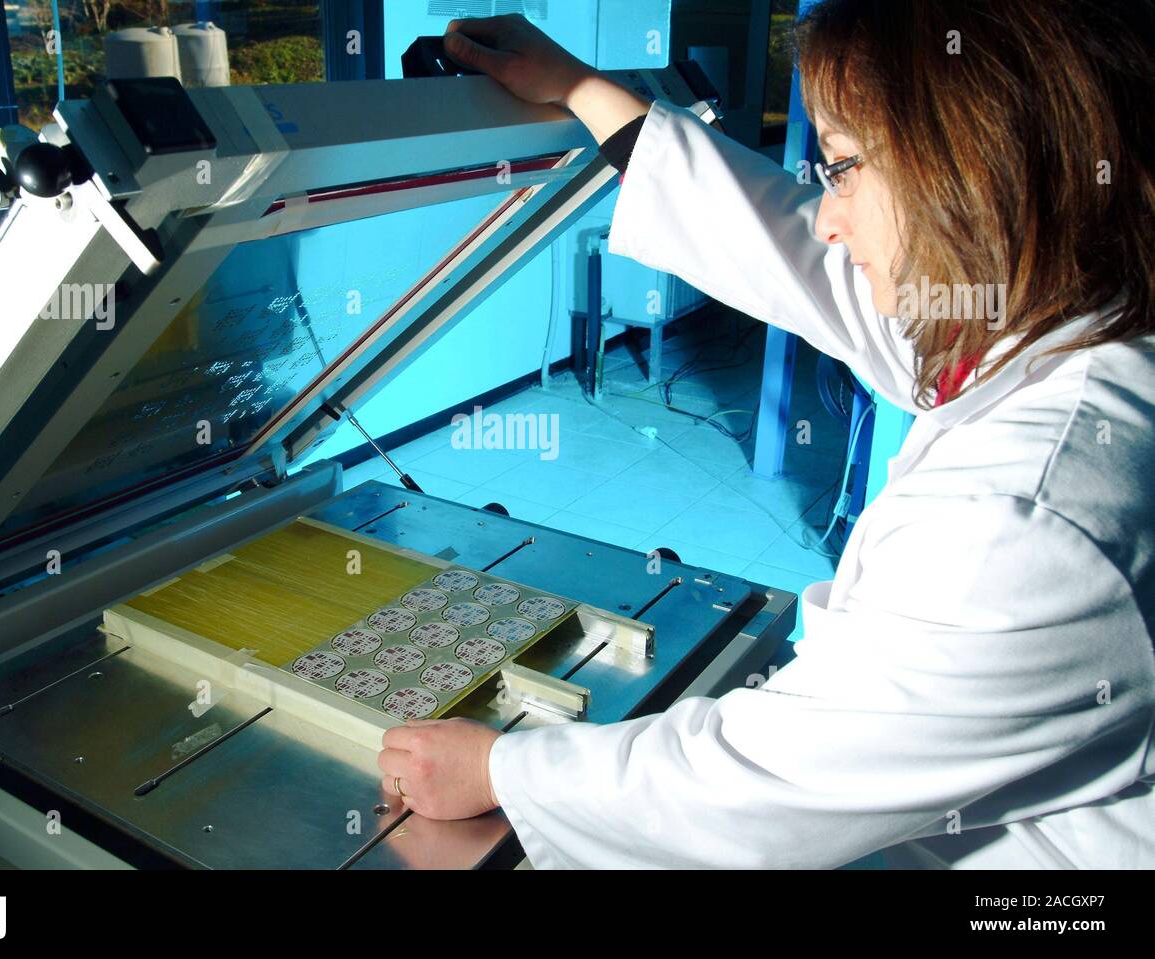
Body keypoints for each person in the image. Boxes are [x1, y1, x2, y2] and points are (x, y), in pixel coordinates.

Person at [377, 0, 1155, 868]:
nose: (827, 216)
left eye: (844, 167)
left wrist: (505, 770)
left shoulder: (1031, 512)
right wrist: (576, 89)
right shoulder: (1047, 324)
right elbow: (789, 248)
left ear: (979, 167)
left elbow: (759, 790)